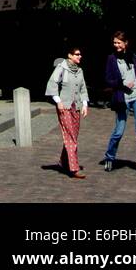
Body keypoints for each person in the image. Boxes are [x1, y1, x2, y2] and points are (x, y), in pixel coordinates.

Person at [103, 30, 136, 174]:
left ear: (125, 43)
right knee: (119, 131)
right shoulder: (111, 59)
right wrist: (122, 84)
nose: (116, 45)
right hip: (122, 99)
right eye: (114, 42)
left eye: (118, 42)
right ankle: (109, 157)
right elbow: (108, 80)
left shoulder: (133, 56)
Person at [46, 45, 89, 178]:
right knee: (70, 136)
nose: (79, 56)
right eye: (77, 54)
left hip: (75, 106)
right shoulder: (61, 68)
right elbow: (52, 84)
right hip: (64, 106)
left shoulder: (79, 70)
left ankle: (63, 162)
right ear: (69, 55)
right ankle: (74, 168)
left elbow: (83, 88)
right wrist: (58, 101)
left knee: (73, 136)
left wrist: (85, 104)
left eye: (80, 54)